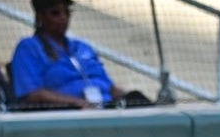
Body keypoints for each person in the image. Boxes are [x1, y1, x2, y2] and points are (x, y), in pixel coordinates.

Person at [9, 0, 145, 110]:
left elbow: (109, 87)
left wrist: (130, 99)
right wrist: (77, 102)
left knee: (138, 99)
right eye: (55, 13)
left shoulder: (82, 47)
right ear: (40, 16)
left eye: (67, 12)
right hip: (69, 112)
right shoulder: (29, 48)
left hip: (106, 107)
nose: (63, 18)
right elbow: (32, 94)